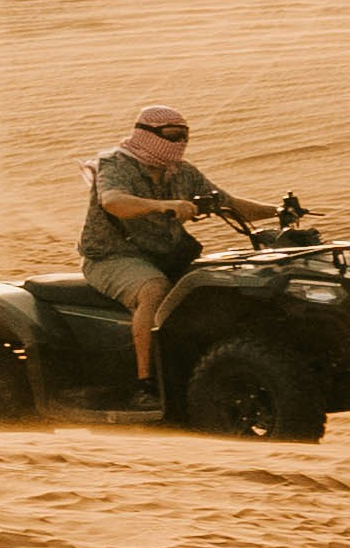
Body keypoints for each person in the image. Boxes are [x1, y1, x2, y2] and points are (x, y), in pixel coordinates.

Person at [80, 103, 261, 396]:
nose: (180, 143)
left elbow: (229, 202)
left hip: (166, 254)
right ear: (146, 134)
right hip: (111, 256)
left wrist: (279, 210)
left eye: (184, 135)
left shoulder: (182, 173)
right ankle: (146, 382)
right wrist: (163, 206)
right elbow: (113, 202)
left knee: (215, 284)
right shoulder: (115, 164)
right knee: (153, 289)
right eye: (173, 135)